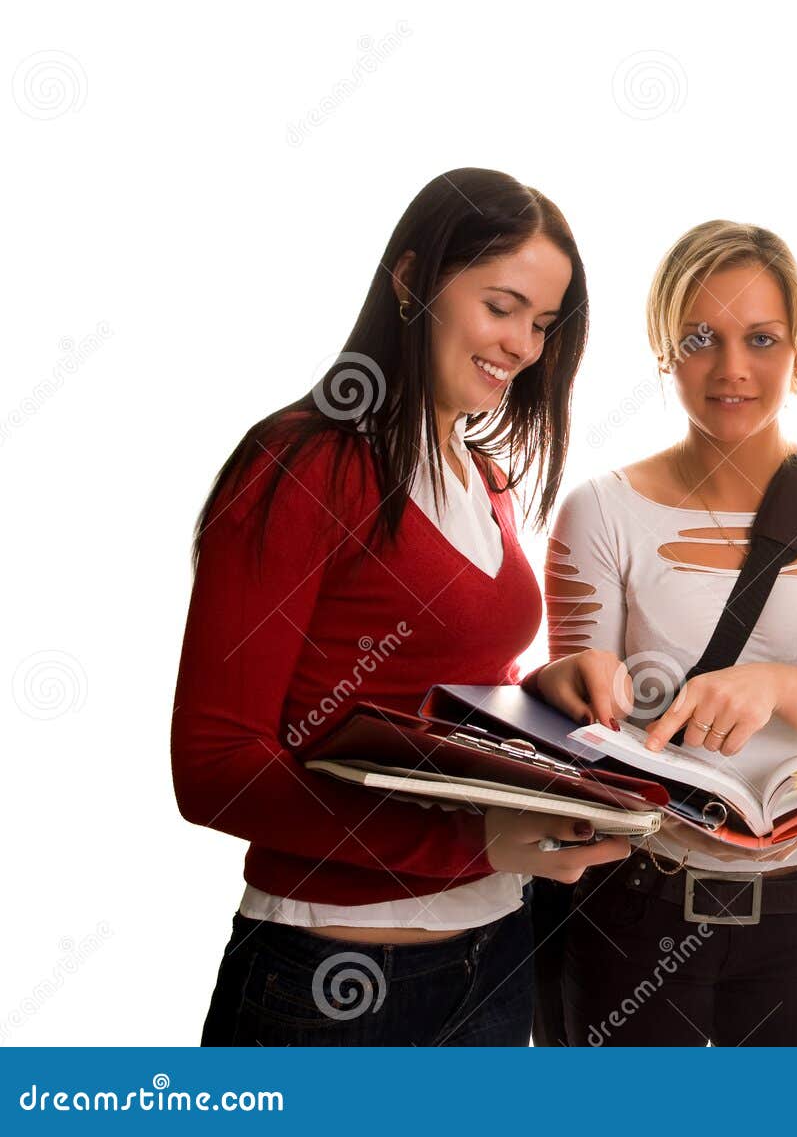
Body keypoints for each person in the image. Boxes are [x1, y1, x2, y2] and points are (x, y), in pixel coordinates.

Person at [173, 168, 629, 1047]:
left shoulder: (483, 477)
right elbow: (214, 765)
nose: (525, 346)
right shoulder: (303, 464)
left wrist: (543, 690)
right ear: (412, 280)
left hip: (494, 953)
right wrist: (477, 842)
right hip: (336, 981)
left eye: (542, 324)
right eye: (502, 307)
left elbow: (436, 700)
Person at [529, 220, 797, 1045]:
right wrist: (567, 690)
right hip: (633, 907)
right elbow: (573, 736)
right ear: (664, 347)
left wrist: (779, 685)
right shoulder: (599, 511)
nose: (733, 369)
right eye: (702, 338)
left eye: (763, 338)